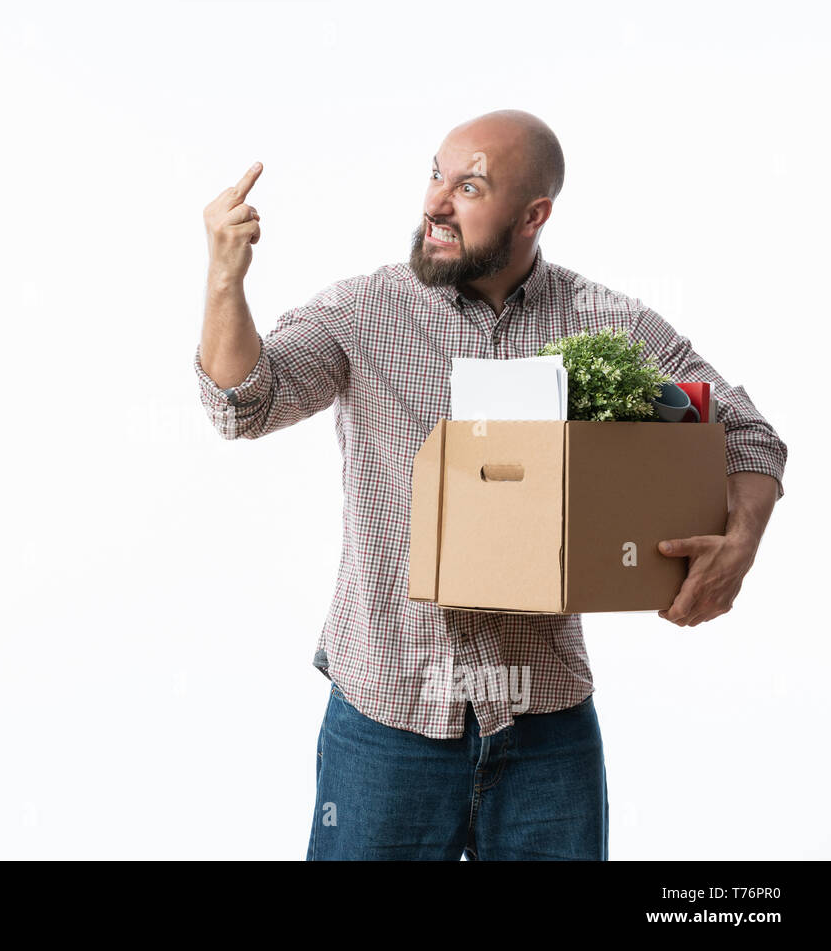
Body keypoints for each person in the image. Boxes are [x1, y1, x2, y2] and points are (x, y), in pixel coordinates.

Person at [193, 109, 788, 860]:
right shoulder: (365, 310)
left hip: (545, 726)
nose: (435, 203)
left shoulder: (602, 321)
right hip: (388, 719)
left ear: (534, 214)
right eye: (435, 174)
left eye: (468, 186)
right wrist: (224, 279)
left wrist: (740, 544)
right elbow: (242, 402)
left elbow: (747, 433)